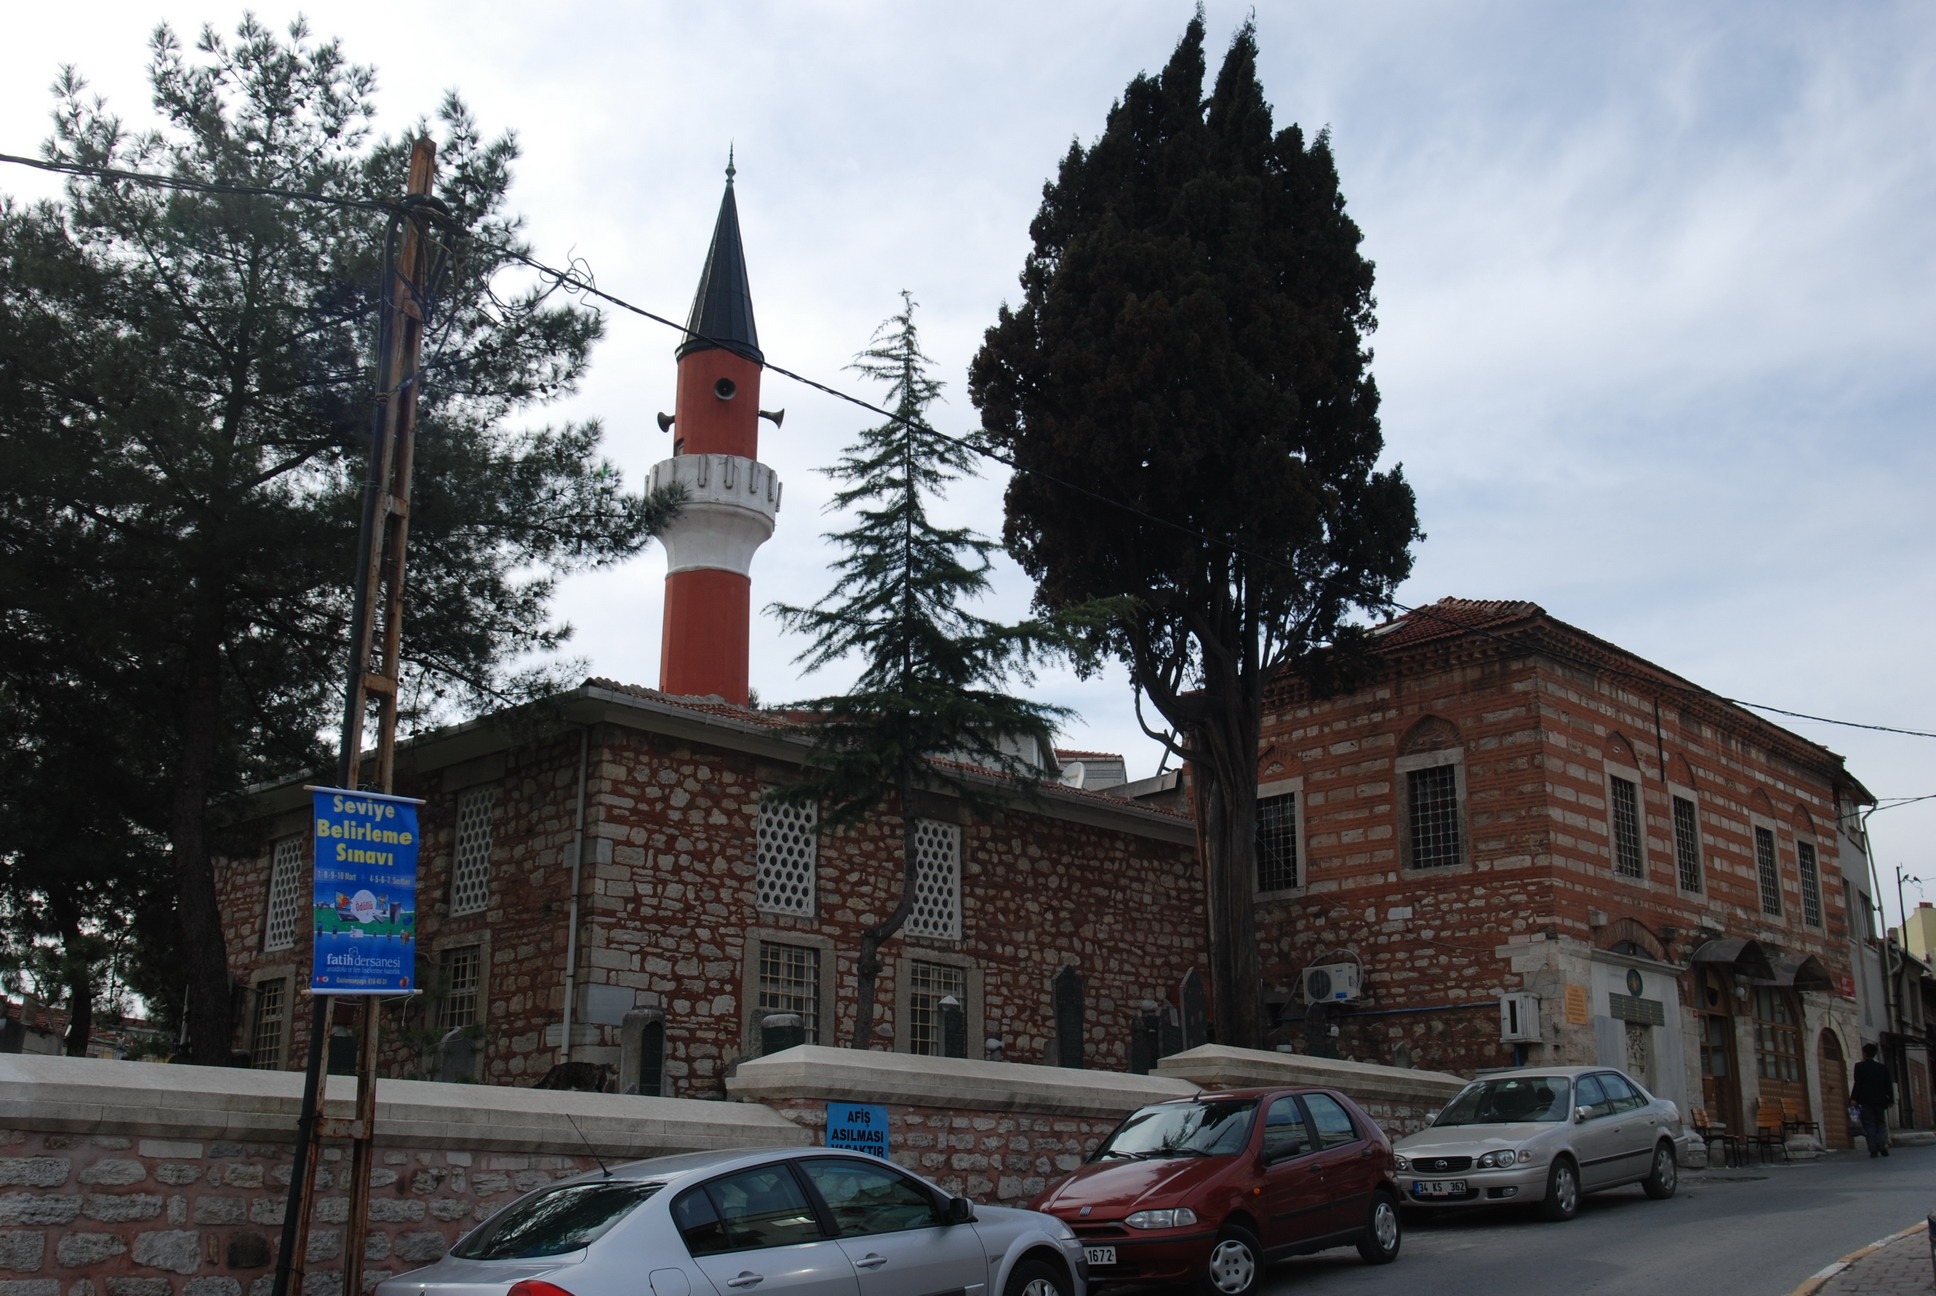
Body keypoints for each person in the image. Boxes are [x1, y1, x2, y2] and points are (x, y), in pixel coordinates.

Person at [1850, 1041, 1894, 1157]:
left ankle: (1873, 1149)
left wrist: (1854, 1098)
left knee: (1869, 1124)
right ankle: (1882, 1145)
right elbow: (1888, 1084)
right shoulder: (1882, 1068)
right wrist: (1891, 1099)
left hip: (1865, 1101)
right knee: (1881, 1123)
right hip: (1880, 1100)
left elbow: (1857, 1084)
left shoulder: (1859, 1067)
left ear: (1864, 1053)